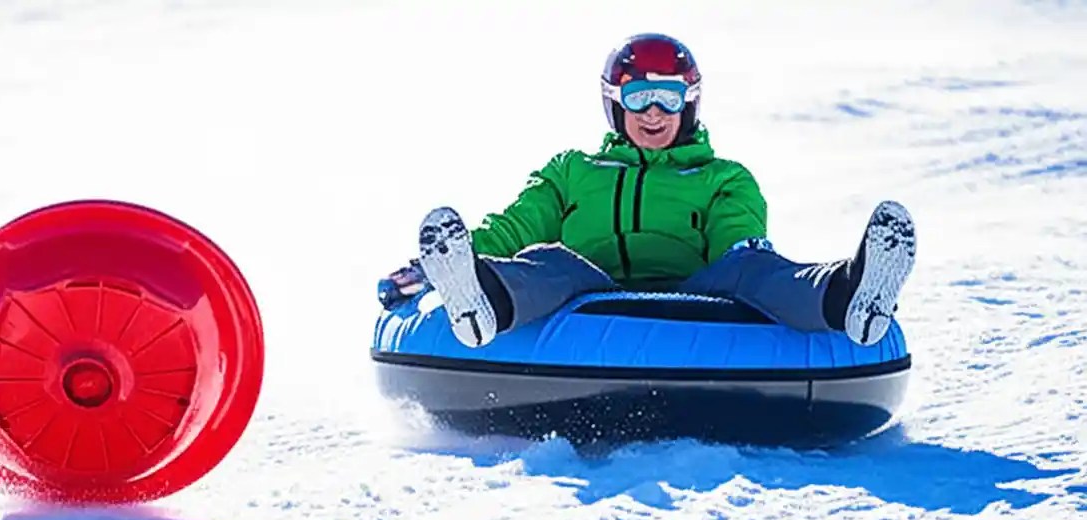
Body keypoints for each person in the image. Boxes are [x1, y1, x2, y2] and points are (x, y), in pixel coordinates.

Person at [378, 32, 917, 350]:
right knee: (549, 258)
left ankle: (851, 295)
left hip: (697, 295)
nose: (654, 112)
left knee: (751, 264)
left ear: (691, 102)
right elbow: (516, 225)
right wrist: (430, 268)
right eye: (639, 98)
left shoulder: (722, 177)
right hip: (587, 291)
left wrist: (740, 260)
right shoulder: (573, 170)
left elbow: (738, 241)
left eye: (668, 96)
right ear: (616, 103)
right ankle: (480, 296)